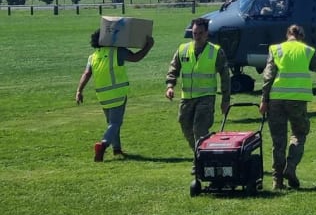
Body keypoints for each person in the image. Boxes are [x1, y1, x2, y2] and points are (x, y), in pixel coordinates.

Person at [259, 24, 316, 190]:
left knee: (278, 141)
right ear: (301, 35)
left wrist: (264, 99)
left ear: (287, 34)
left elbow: (268, 76)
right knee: (299, 134)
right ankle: (291, 167)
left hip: (276, 100)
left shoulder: (276, 49)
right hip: (297, 100)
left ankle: (277, 181)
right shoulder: (307, 51)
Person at [75, 30, 155, 161]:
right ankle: (103, 144)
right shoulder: (118, 51)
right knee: (115, 123)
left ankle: (117, 149)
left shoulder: (93, 56)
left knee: (111, 124)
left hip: (102, 95)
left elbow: (86, 73)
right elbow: (136, 58)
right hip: (117, 93)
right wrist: (148, 46)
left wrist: (79, 91)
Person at [165, 17, 231, 153]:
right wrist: (170, 86)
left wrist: (225, 100)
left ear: (207, 33)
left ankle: (200, 159)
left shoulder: (216, 51)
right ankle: (200, 154)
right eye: (195, 33)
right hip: (187, 97)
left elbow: (225, 76)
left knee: (199, 129)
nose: (197, 36)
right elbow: (174, 68)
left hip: (206, 98)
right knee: (185, 126)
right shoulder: (183, 49)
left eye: (200, 33)